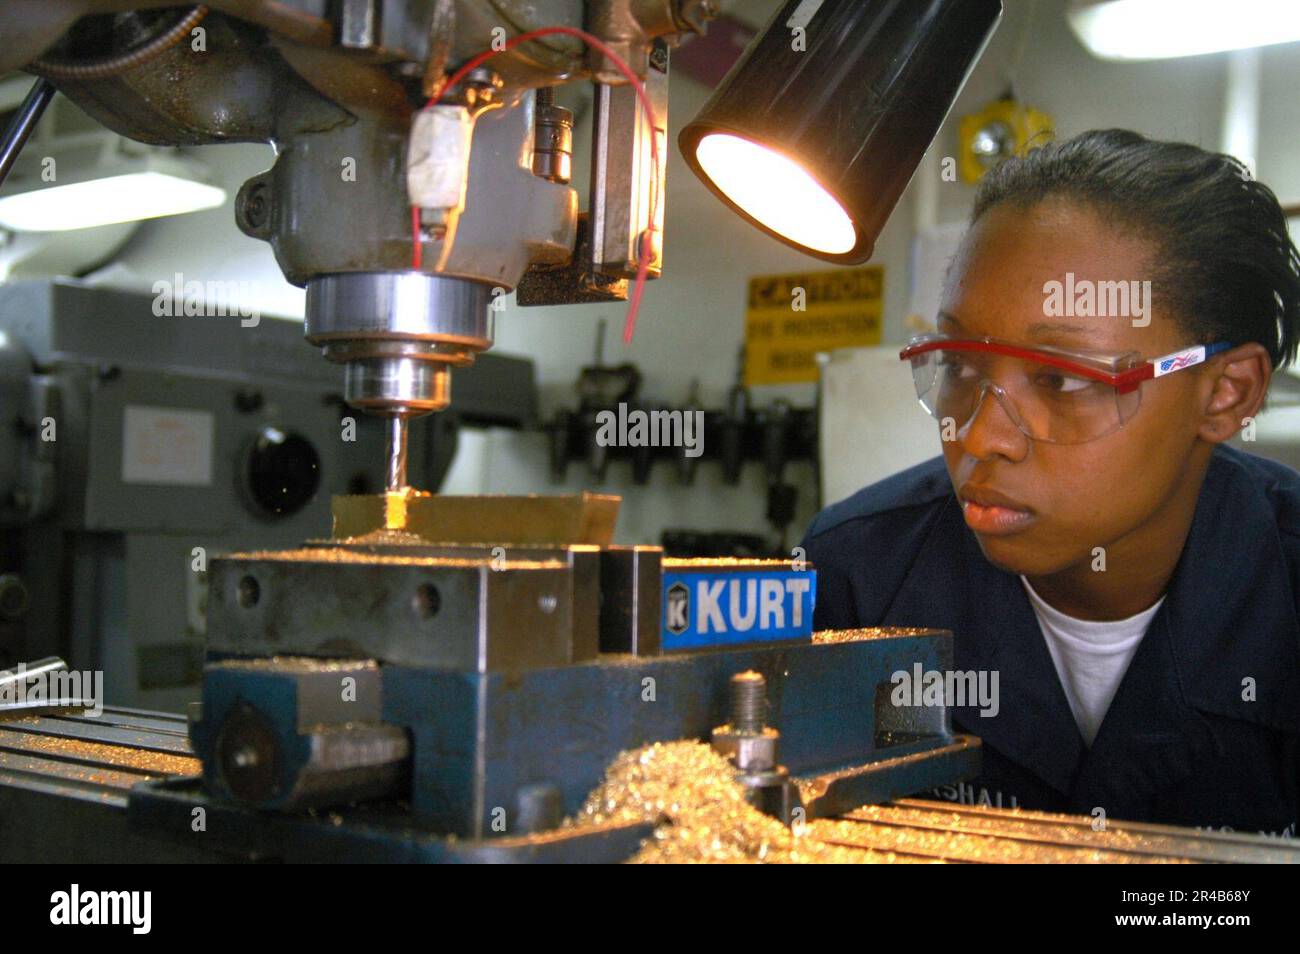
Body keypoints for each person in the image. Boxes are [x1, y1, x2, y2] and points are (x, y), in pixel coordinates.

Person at [802, 129, 1300, 835]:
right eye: (960, 365)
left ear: (1226, 392)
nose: (979, 437)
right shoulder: (859, 579)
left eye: (1062, 379)